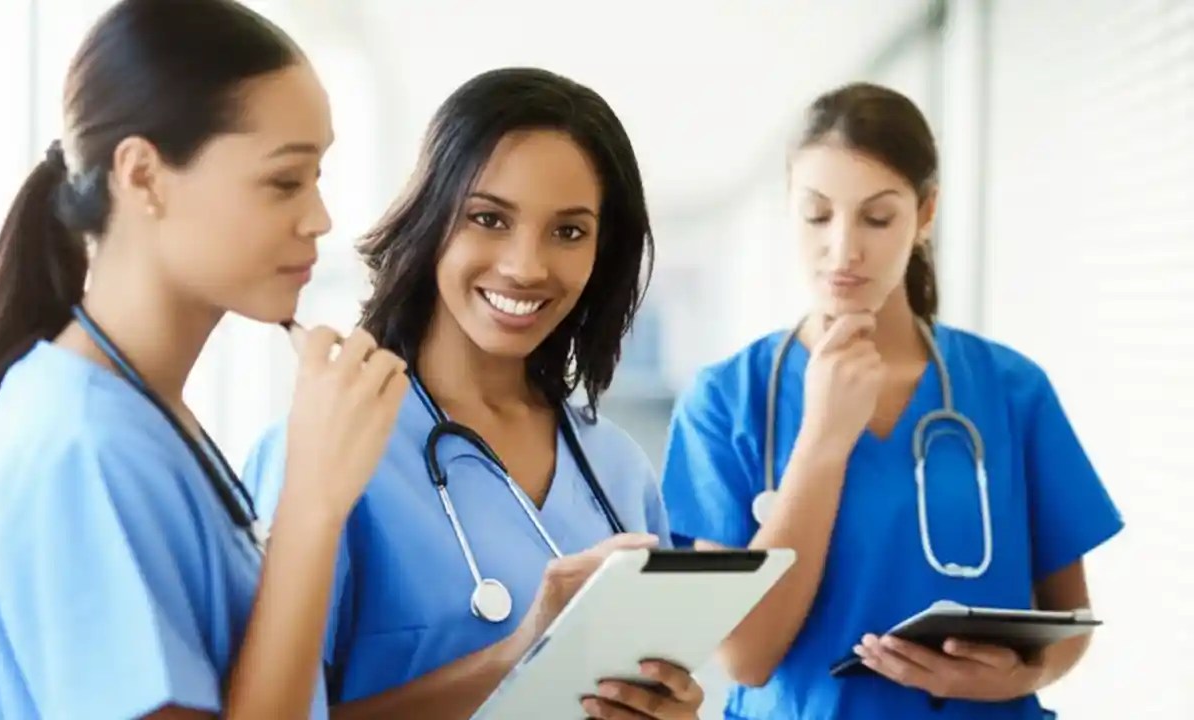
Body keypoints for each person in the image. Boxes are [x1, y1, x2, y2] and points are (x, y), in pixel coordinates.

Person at [0, 1, 410, 718]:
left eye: (318, 176)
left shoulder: (143, 419)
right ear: (143, 175)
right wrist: (312, 505)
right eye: (285, 181)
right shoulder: (79, 450)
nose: (320, 218)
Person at [242, 67, 705, 720]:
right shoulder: (324, 451)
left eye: (569, 232)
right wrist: (522, 655)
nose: (526, 266)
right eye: (489, 219)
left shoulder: (619, 469)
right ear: (432, 219)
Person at [658, 81, 1124, 719]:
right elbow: (746, 657)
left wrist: (1016, 678)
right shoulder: (725, 401)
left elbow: (1069, 618)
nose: (844, 249)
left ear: (925, 213)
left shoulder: (1013, 390)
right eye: (817, 215)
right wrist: (823, 438)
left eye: (877, 218)